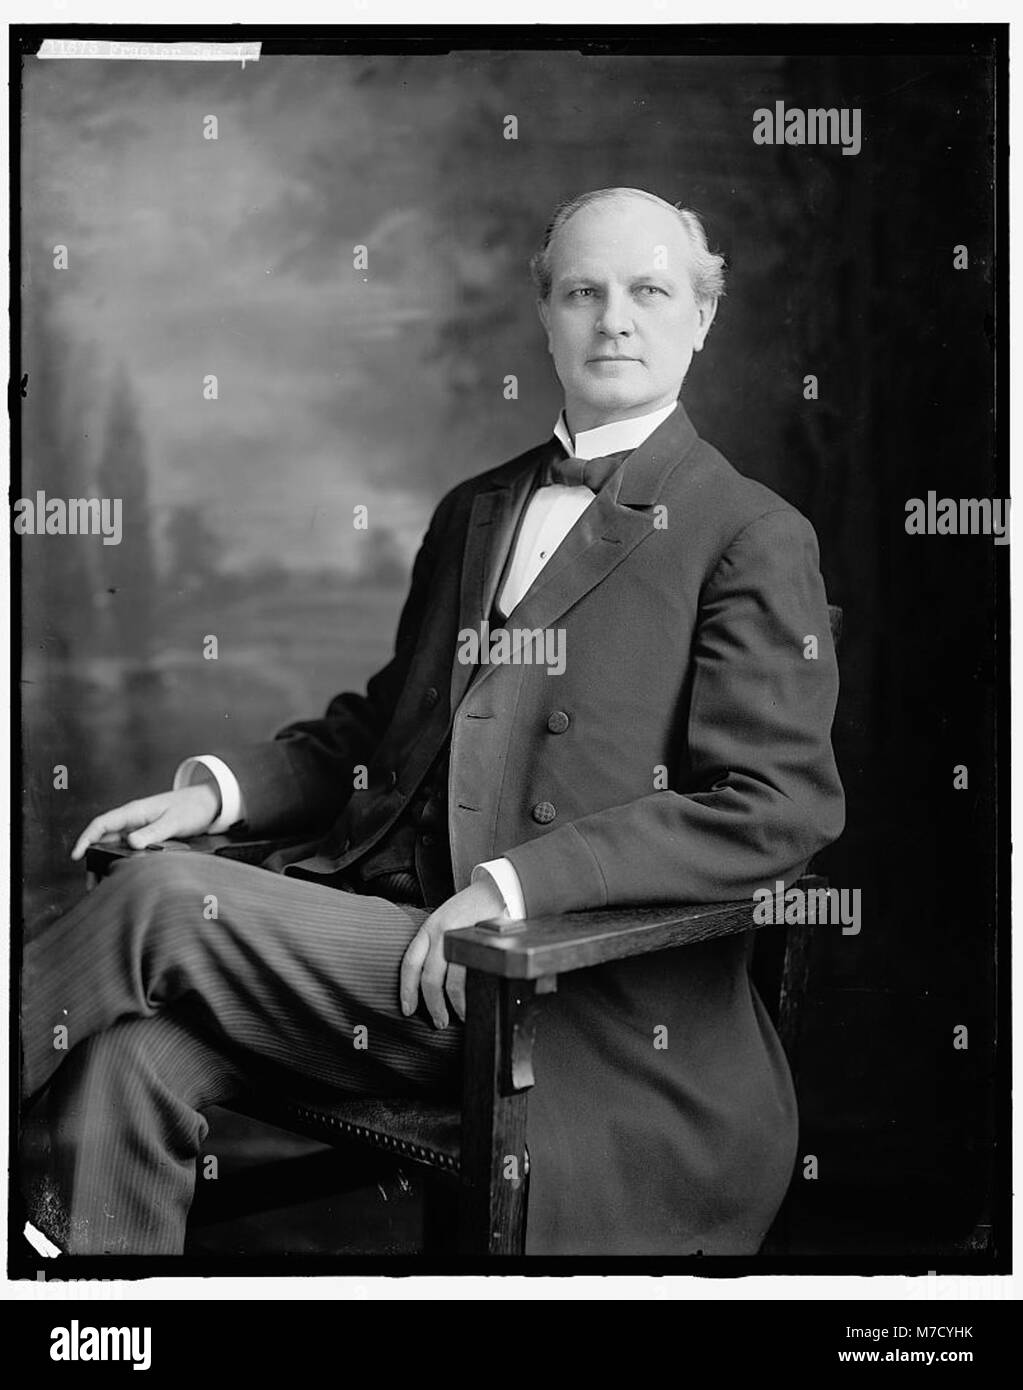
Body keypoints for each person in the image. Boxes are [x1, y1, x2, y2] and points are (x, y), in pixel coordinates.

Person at [21, 187, 844, 1257]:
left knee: (168, 904)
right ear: (544, 314)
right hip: (382, 952)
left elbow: (774, 810)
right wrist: (213, 792)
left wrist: (509, 890)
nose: (615, 320)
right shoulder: (478, 508)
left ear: (704, 314)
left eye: (649, 291)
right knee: (125, 1060)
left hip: (554, 994)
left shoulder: (751, 534)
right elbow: (384, 736)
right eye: (584, 292)